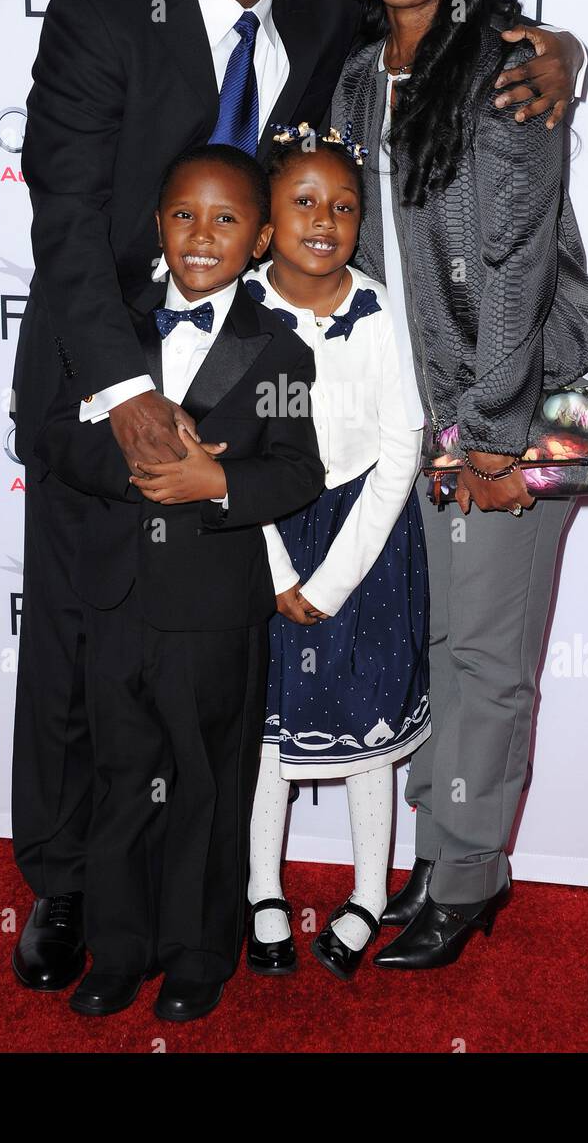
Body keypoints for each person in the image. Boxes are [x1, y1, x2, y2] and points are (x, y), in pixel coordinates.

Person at [9, 0, 587, 991]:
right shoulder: (145, 15)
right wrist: (123, 388)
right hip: (128, 385)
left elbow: (520, 248)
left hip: (478, 404)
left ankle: (443, 873)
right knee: (85, 647)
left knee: (437, 646)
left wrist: (568, 50)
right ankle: (68, 884)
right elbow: (64, 220)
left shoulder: (408, 32)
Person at [329, 0, 588, 970]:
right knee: (448, 640)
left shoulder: (508, 69)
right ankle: (448, 856)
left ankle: (462, 877)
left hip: (528, 398)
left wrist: (492, 441)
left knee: (487, 653)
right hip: (436, 404)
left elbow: (513, 270)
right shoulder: (359, 75)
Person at [29, 145, 325, 1021]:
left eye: (227, 219)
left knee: (205, 780)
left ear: (263, 237)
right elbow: (49, 434)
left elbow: (299, 472)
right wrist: (133, 467)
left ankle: (200, 954)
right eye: (185, 216)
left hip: (213, 611)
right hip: (115, 598)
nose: (203, 236)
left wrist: (219, 486)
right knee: (123, 778)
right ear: (158, 223)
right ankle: (118, 951)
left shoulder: (279, 354)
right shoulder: (107, 333)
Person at [243, 125, 430, 982]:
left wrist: (332, 578)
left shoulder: (384, 307)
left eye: (344, 205)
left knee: (365, 727)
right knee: (267, 733)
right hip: (259, 534)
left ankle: (365, 894)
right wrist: (282, 573)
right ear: (265, 218)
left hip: (368, 542)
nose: (324, 220)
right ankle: (261, 891)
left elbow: (403, 447)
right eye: (304, 202)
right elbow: (222, 453)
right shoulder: (236, 307)